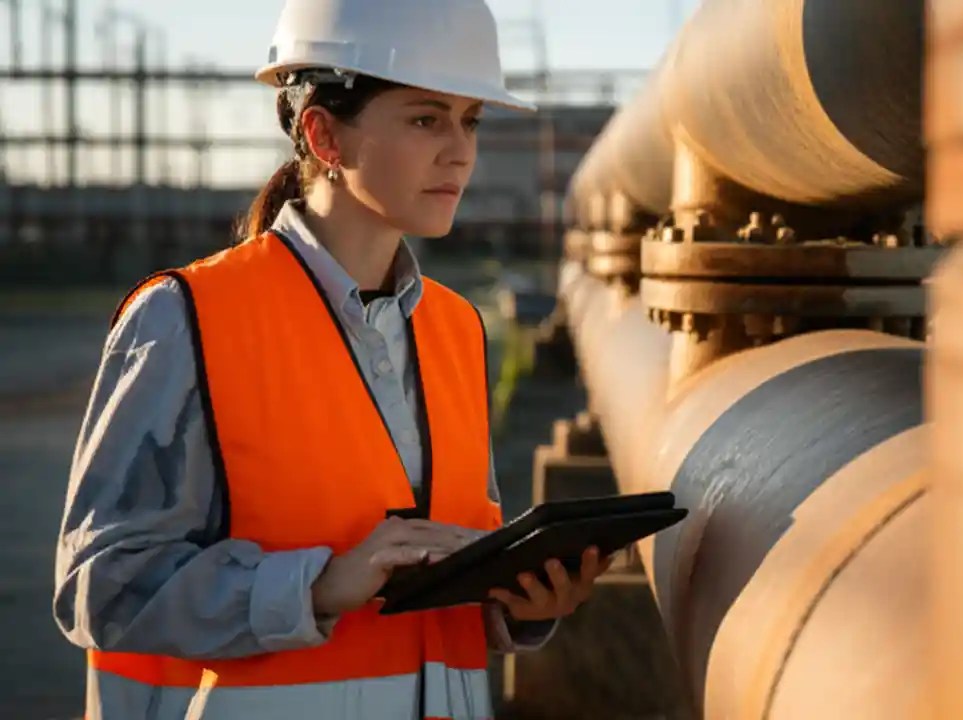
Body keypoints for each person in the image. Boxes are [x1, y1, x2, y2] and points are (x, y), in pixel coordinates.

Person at [52, 1, 611, 717]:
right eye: (424, 118)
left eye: (469, 119)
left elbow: (427, 596)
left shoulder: (456, 330)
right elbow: (99, 587)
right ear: (323, 135)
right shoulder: (184, 319)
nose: (461, 150)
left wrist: (517, 602)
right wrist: (313, 589)